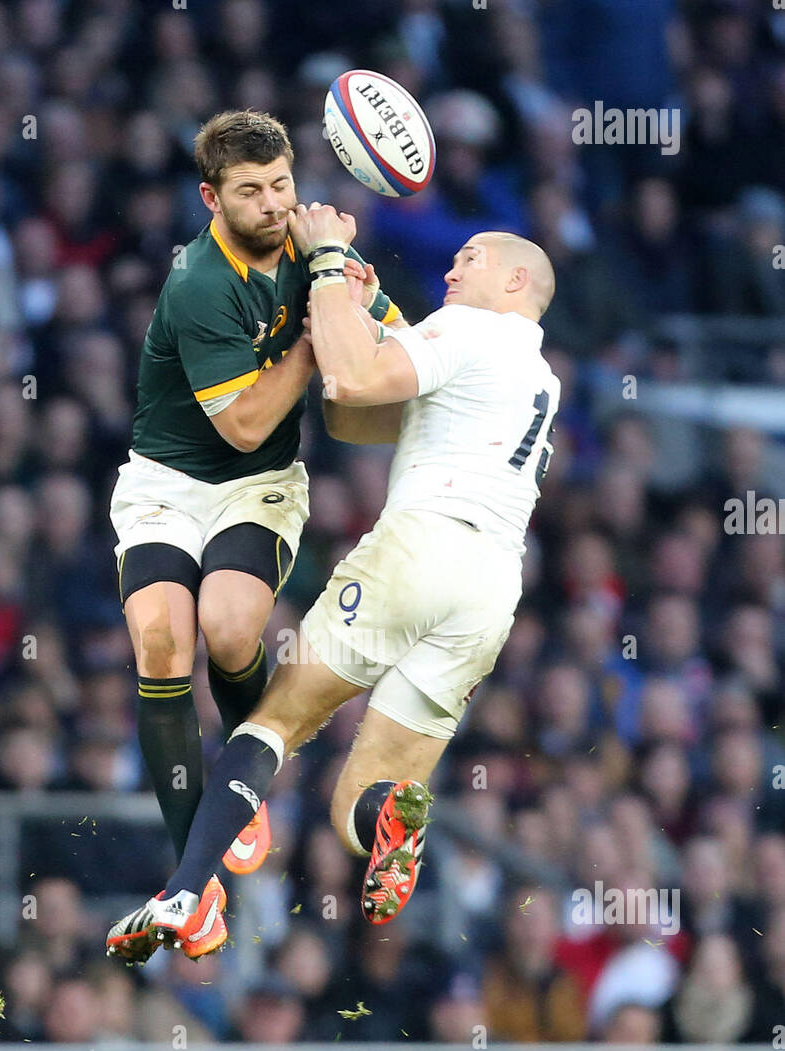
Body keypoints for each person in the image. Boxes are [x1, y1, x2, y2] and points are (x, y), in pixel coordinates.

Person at [107, 209, 559, 964]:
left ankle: (187, 893)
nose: (450, 271)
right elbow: (358, 415)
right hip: (490, 591)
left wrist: (324, 260)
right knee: (355, 803)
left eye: (469, 258)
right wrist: (366, 312)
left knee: (270, 725)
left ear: (516, 280)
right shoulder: (534, 373)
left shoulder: (469, 329)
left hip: (421, 547)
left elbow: (352, 376)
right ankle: (393, 813)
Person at [108, 113, 400, 942]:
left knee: (232, 628)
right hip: (168, 481)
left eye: (281, 185)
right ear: (212, 197)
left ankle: (243, 784)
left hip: (260, 486)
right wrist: (313, 346)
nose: (273, 205)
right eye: (249, 192)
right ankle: (192, 883)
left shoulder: (318, 249)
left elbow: (396, 335)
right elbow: (239, 422)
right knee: (162, 642)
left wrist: (345, 278)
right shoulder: (198, 282)